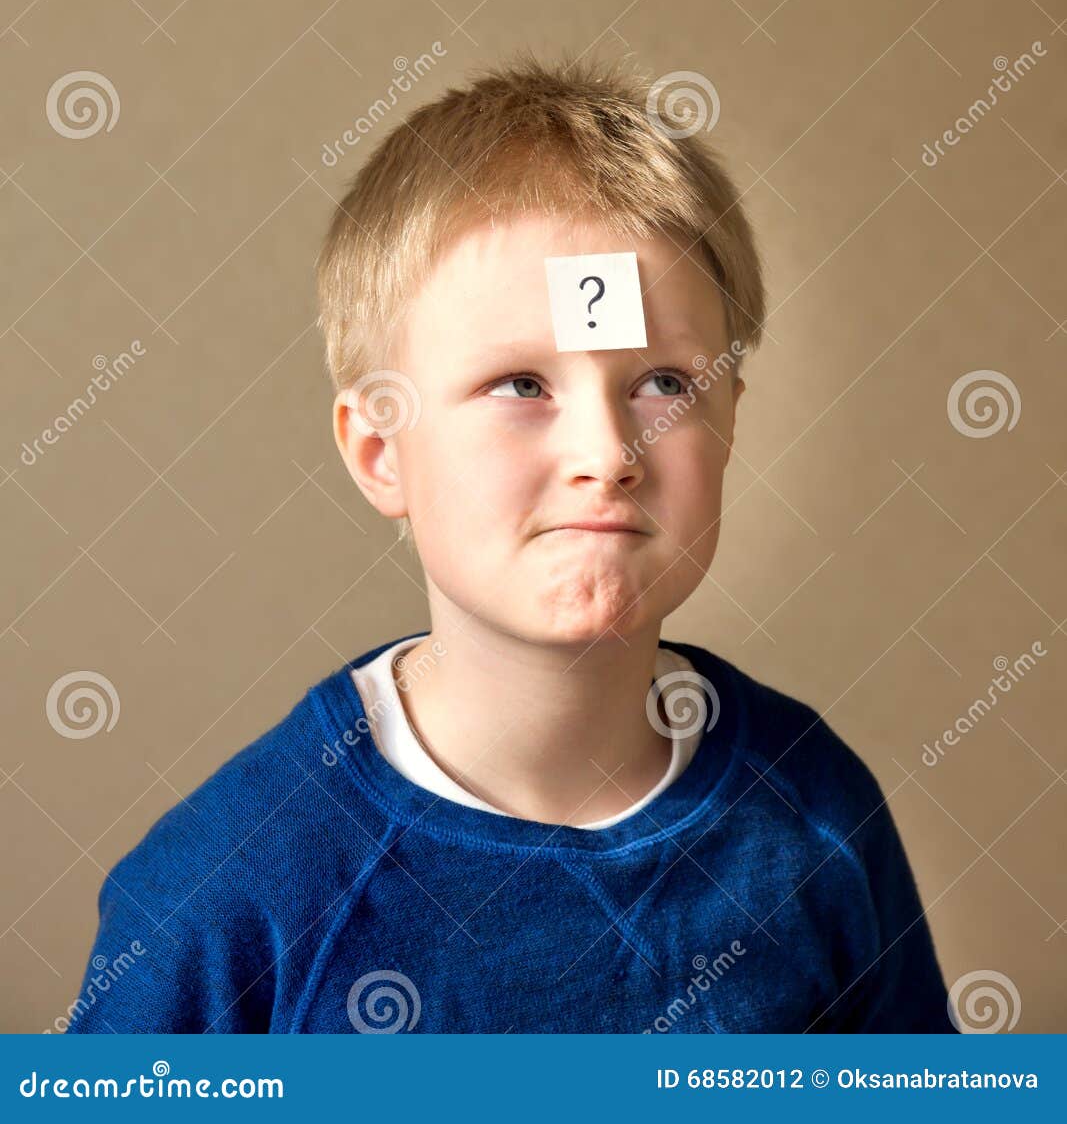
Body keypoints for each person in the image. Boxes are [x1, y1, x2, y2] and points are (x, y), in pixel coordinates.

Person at [65, 51, 954, 1033]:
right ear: (380, 451)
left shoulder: (816, 815)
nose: (608, 454)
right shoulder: (226, 893)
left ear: (729, 419)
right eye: (521, 385)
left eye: (663, 383)